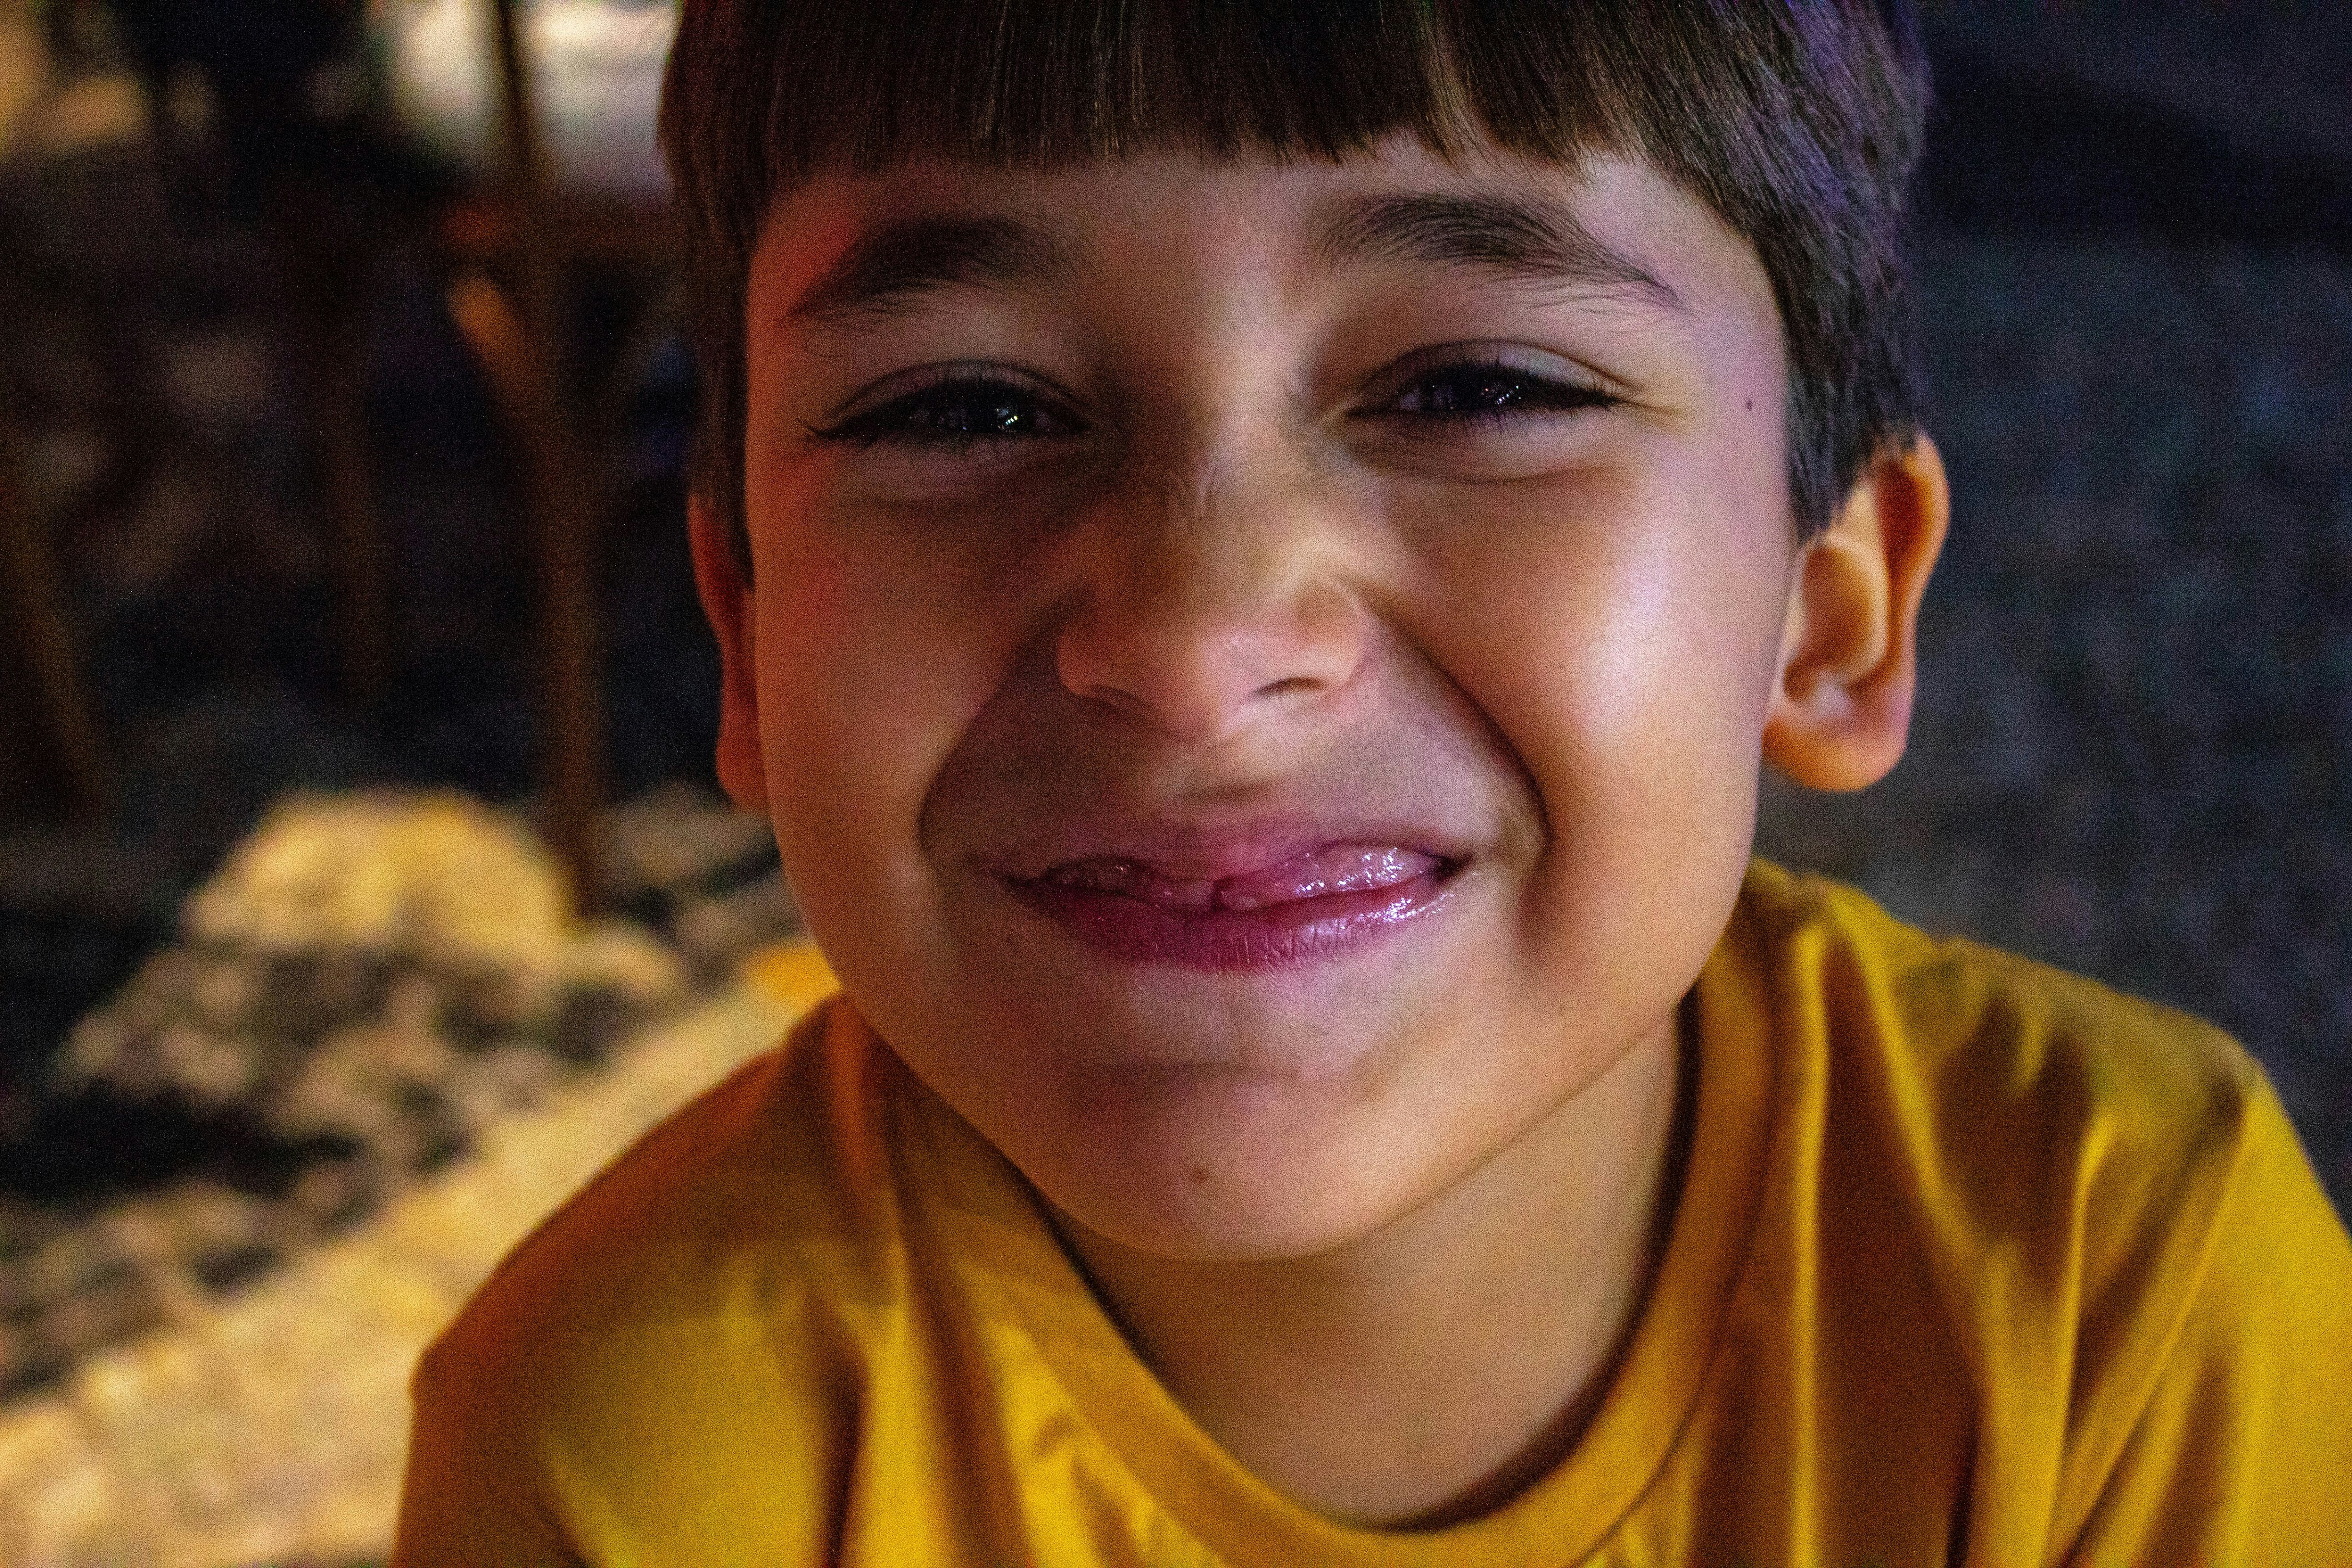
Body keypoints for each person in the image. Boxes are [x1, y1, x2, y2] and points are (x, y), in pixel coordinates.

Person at [391, 3, 2352, 1563]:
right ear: (742, 626)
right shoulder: (629, 1466)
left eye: (1472, 388)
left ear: (1825, 612)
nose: (1194, 629)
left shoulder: (2117, 1290)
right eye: (963, 407)